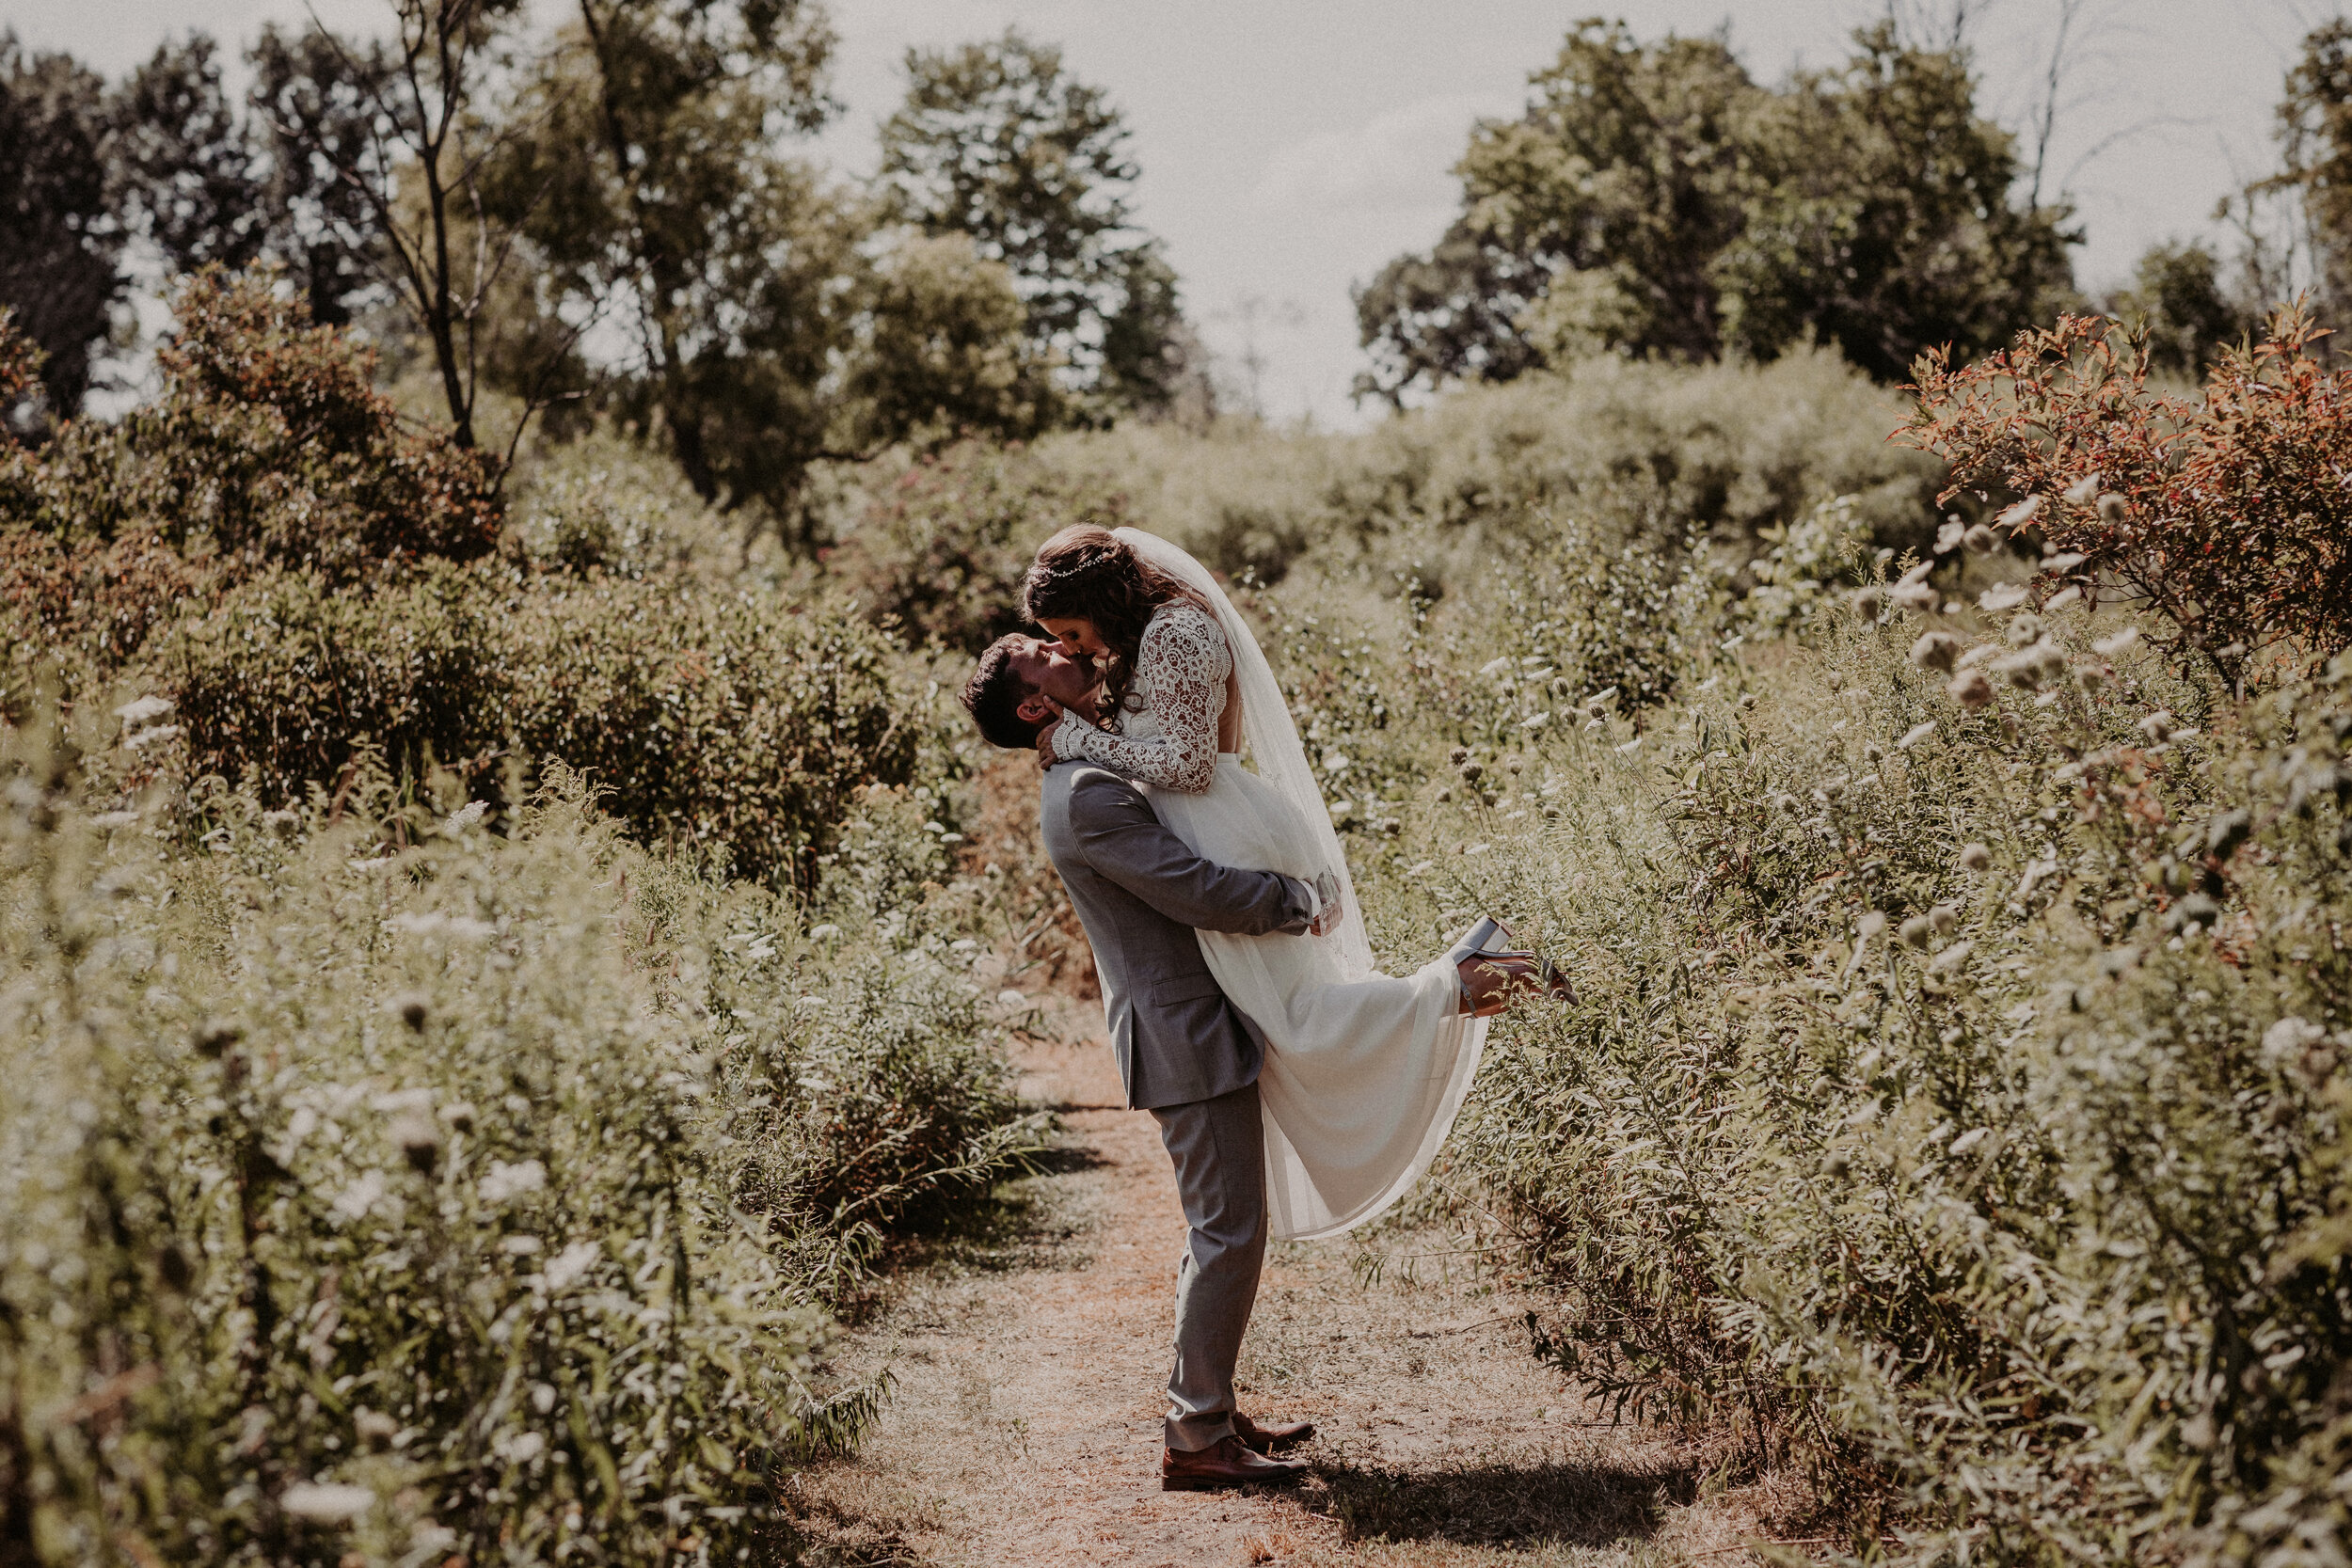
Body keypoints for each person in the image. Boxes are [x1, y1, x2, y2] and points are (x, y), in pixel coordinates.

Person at [957, 634, 1548, 1491]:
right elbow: (1191, 886)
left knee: (1221, 1229)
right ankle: (1195, 1439)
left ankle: (1209, 1408)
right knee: (1229, 1230)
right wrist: (1295, 898)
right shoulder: (1085, 796)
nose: (1058, 648)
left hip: (1198, 1024)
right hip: (1181, 1034)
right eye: (1035, 654)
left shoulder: (1094, 769)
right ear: (1033, 707)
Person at [1015, 525, 1562, 1243]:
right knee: (1287, 1022)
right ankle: (1466, 977)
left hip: (1224, 830)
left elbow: (1187, 765)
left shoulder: (1177, 631)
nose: (1074, 647)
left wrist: (1079, 740)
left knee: (1296, 1022)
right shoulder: (1147, 638)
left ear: (1095, 598)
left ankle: (1463, 982)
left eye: (1071, 630)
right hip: (1207, 828)